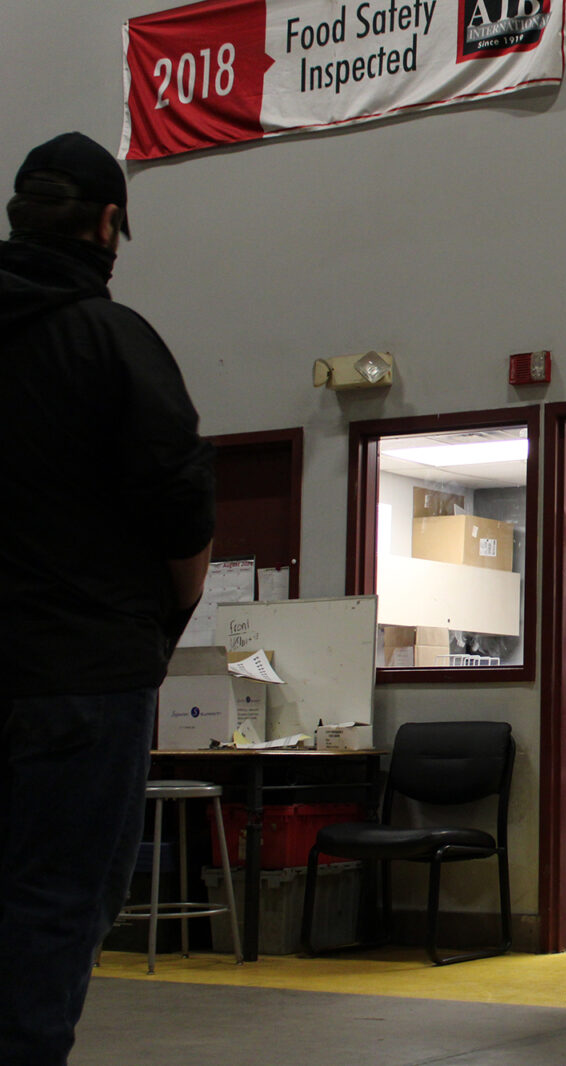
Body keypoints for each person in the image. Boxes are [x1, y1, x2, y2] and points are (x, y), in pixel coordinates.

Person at [0, 132, 215, 1065]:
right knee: (51, 907)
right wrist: (159, 628)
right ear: (108, 224)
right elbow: (182, 516)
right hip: (79, 683)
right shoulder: (112, 342)